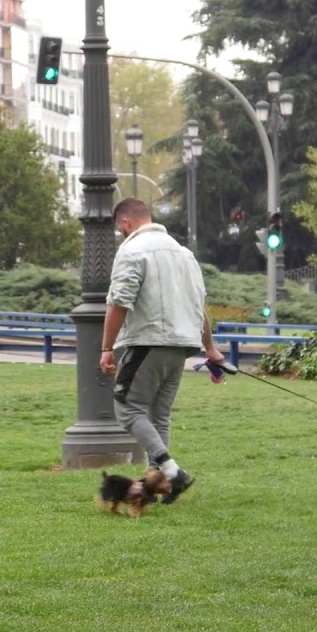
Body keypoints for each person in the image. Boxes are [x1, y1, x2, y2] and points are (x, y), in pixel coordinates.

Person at [99, 197, 225, 504]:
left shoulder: (132, 250)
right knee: (159, 417)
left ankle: (171, 472)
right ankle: (156, 487)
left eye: (120, 229)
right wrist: (210, 348)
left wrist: (106, 348)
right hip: (182, 345)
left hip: (148, 341)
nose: (121, 234)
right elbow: (199, 307)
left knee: (127, 408)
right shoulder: (184, 254)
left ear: (125, 222)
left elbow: (119, 301)